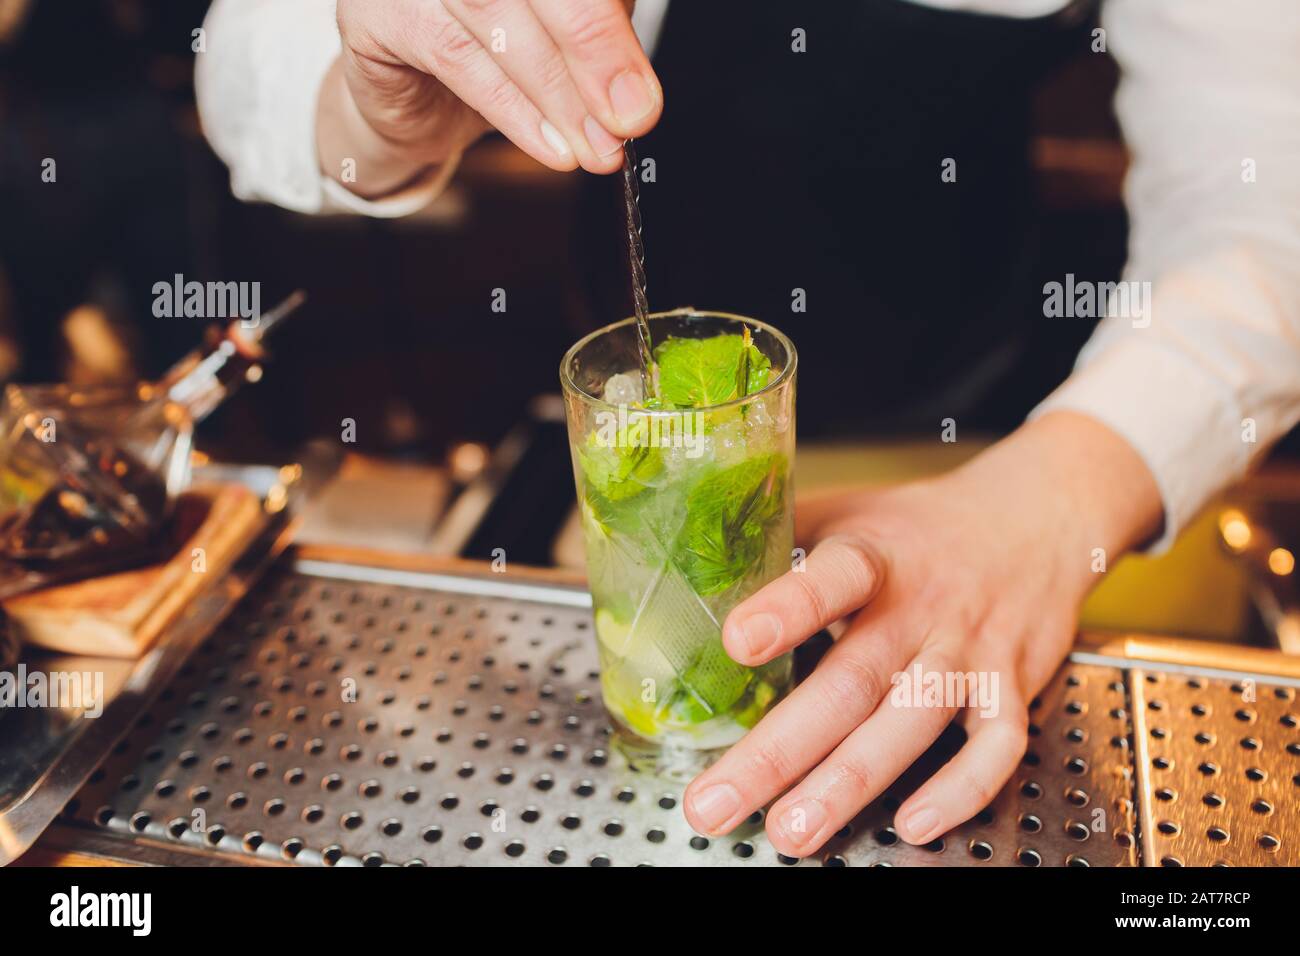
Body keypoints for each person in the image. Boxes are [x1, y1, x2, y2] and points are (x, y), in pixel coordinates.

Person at [195, 0, 1300, 858]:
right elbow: (257, 74)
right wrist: (375, 109)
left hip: (992, 452)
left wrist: (1054, 500)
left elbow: (1263, 205)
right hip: (644, 478)